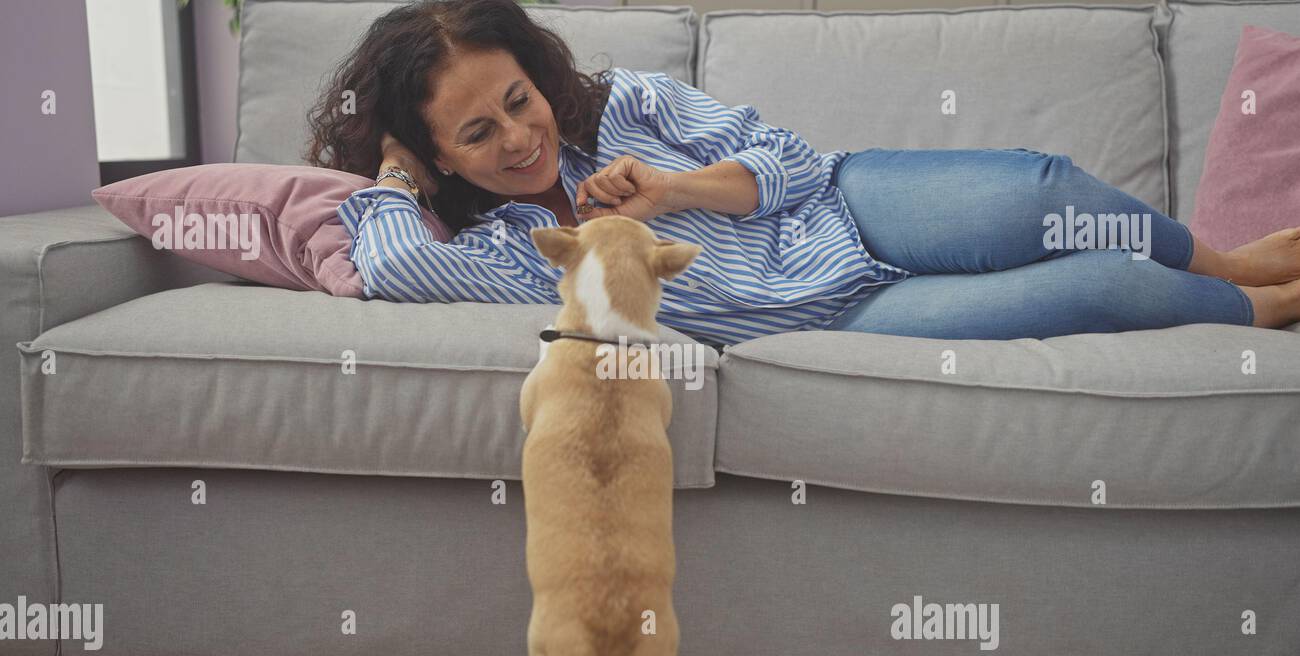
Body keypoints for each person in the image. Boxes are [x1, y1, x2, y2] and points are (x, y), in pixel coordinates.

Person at [305, 0, 1300, 348]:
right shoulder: (508, 252)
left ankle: (1233, 259)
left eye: (516, 100)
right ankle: (1264, 308)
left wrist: (675, 190)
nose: (516, 139)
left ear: (535, 74)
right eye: (475, 134)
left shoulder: (624, 107)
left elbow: (782, 156)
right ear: (437, 153)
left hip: (848, 205)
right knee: (1096, 287)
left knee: (1043, 191)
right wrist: (393, 172)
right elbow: (392, 264)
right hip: (830, 313)